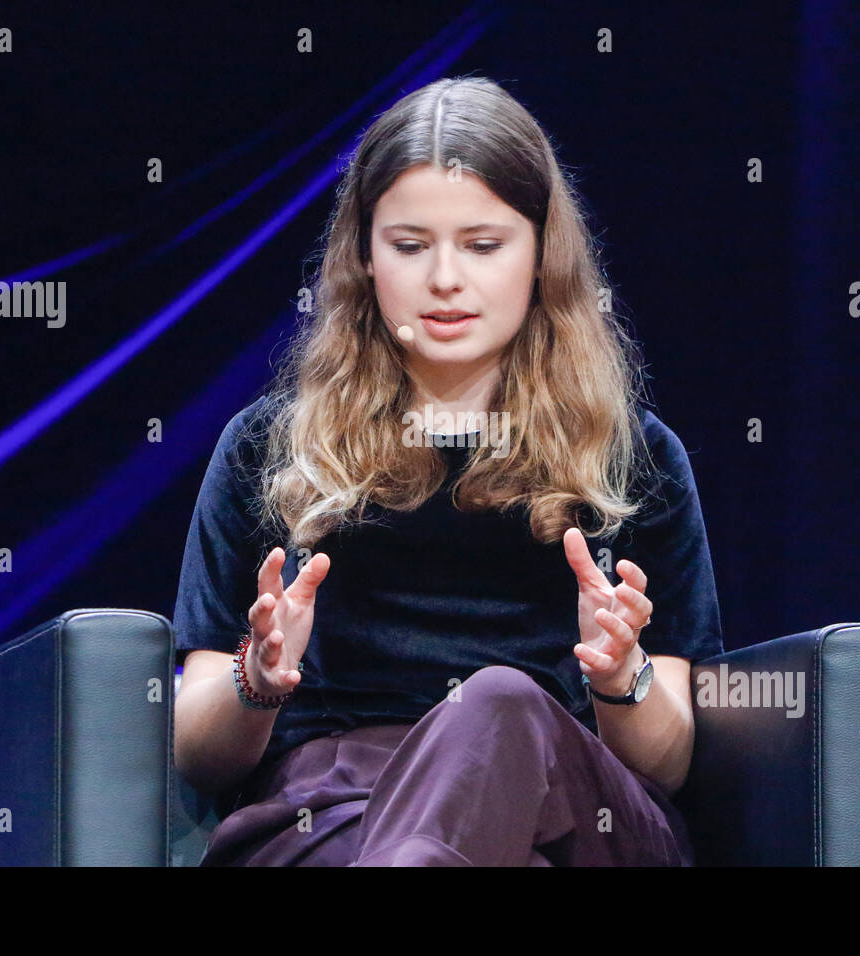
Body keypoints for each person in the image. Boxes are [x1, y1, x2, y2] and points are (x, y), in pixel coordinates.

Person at [171, 75, 724, 866]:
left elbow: (667, 764)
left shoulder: (632, 457)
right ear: (364, 258)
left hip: (573, 805)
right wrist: (256, 679)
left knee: (499, 702)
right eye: (409, 245)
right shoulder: (273, 450)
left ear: (541, 256)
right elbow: (200, 753)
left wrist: (620, 677)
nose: (444, 280)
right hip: (339, 806)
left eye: (483, 245)